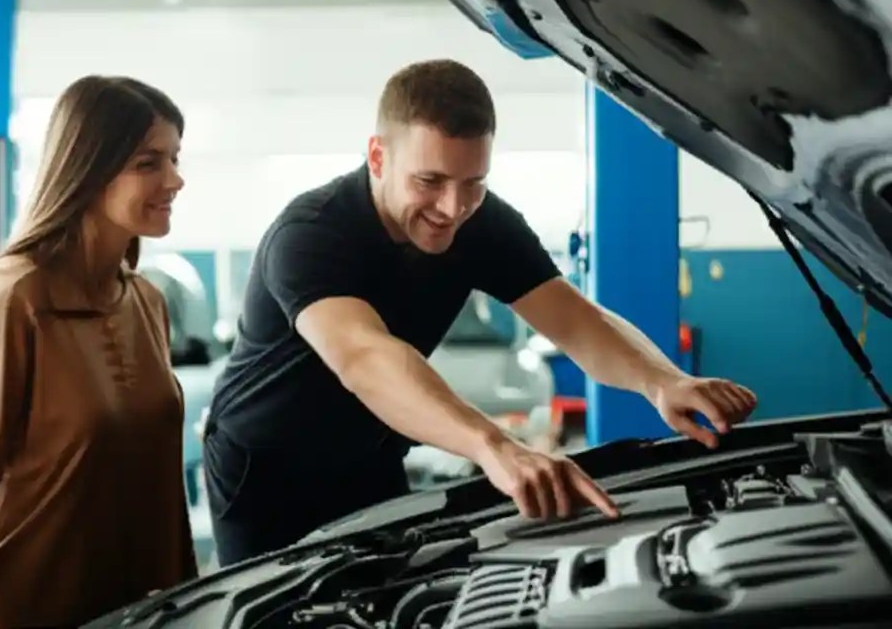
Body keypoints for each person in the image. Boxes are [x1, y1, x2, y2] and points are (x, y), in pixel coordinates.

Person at [202, 58, 758, 567]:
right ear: (378, 156)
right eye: (430, 181)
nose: (452, 208)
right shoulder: (311, 234)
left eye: (473, 182)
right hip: (267, 469)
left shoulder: (482, 224)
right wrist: (496, 447)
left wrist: (661, 381)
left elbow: (576, 318)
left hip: (368, 457)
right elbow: (364, 359)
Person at [0, 75, 198, 629]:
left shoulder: (145, 300)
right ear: (90, 168)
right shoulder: (14, 298)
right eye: (149, 162)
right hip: (40, 608)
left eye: (174, 158)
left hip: (147, 610)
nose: (175, 179)